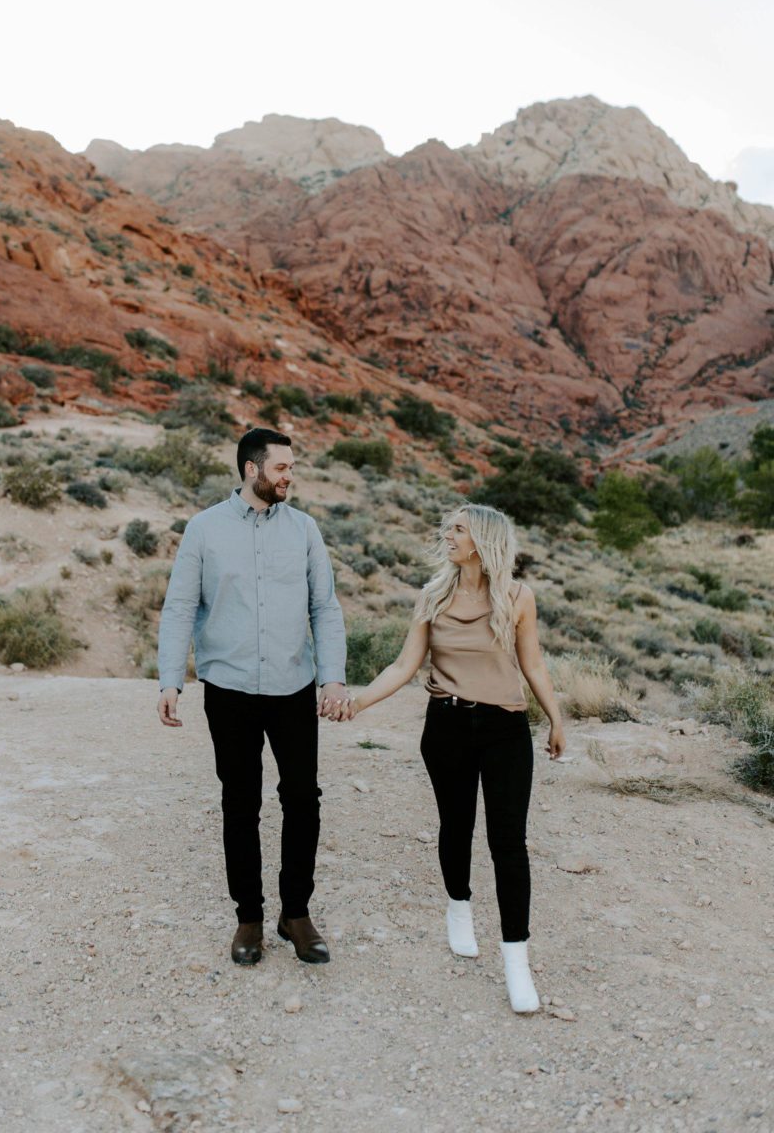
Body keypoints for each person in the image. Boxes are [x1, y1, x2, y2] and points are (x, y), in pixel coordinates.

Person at [334, 502, 565, 1013]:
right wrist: (357, 702)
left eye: (458, 529)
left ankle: (515, 961)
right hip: (447, 726)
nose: (448, 535)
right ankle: (458, 907)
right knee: (455, 826)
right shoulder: (432, 596)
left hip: (505, 729)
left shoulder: (517, 597)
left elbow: (533, 663)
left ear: (482, 540)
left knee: (509, 842)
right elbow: (403, 665)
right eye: (448, 528)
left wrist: (555, 718)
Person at [156, 427, 350, 967]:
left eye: (291, 467)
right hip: (230, 688)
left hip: (293, 687)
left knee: (302, 801)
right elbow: (179, 607)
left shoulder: (305, 530)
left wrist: (332, 677)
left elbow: (325, 608)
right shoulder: (203, 530)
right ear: (251, 469)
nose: (290, 476)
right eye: (282, 467)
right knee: (240, 804)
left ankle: (296, 912)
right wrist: (171, 679)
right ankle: (249, 917)